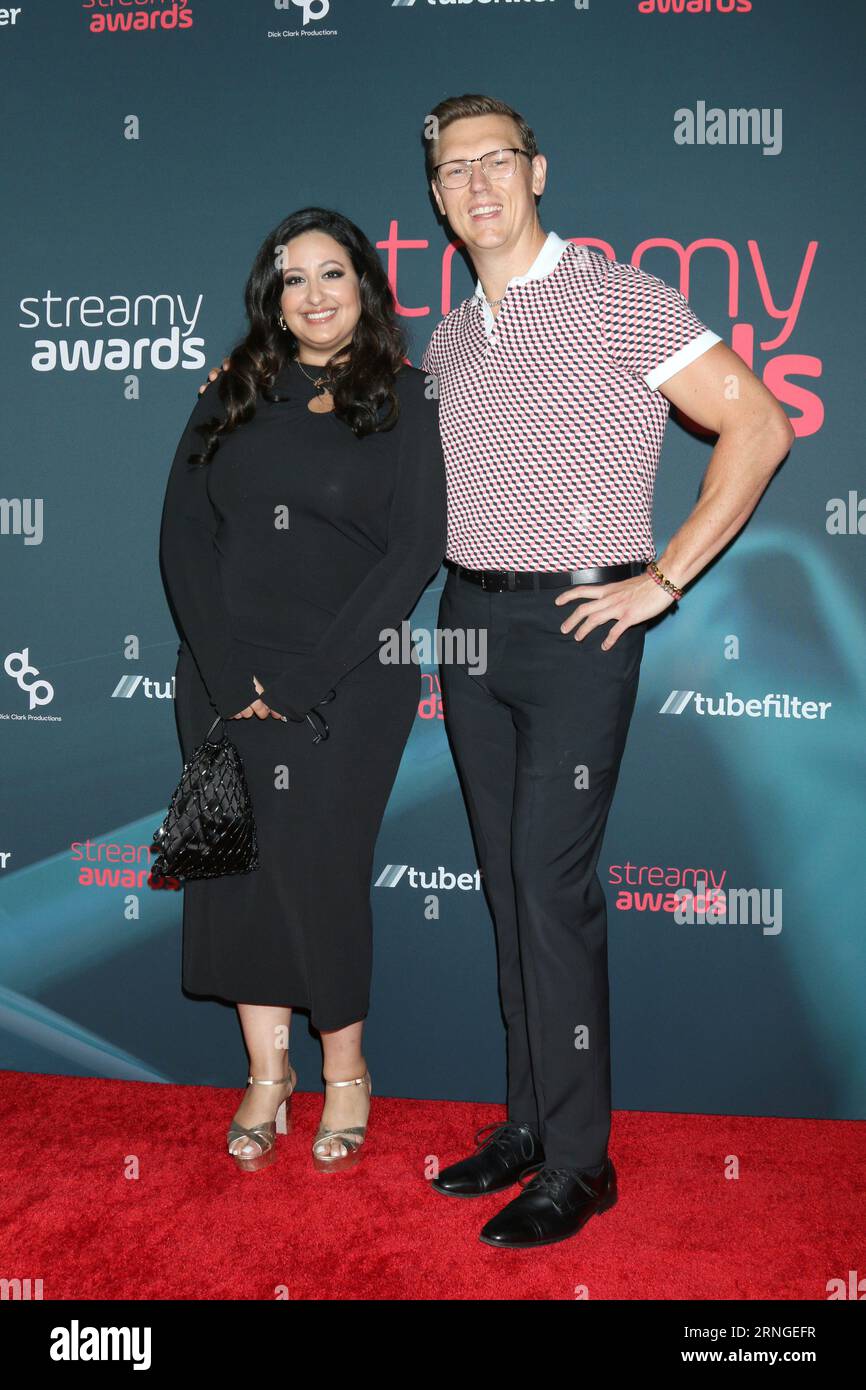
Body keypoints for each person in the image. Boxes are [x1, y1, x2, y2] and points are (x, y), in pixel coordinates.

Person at [419, 94, 794, 1248]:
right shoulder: (447, 331)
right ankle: (527, 1123)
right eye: (451, 170)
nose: (476, 184)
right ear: (434, 197)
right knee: (504, 889)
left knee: (550, 891)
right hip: (467, 624)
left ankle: (581, 1162)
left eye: (495, 161)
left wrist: (662, 579)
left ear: (537, 170)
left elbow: (757, 425)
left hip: (578, 627)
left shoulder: (617, 296)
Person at [159, 207, 446, 1175]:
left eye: (333, 274)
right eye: (294, 279)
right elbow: (181, 538)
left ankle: (349, 1073)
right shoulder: (232, 391)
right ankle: (267, 1074)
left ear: (363, 286)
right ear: (270, 298)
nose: (314, 295)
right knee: (236, 872)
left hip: (345, 686)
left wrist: (301, 681)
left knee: (321, 874)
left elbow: (412, 552)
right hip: (219, 676)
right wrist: (223, 669)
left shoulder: (408, 399)